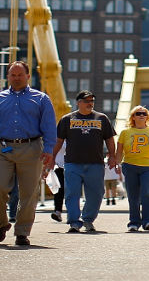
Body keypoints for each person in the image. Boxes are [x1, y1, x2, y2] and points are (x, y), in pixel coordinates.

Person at [0, 60, 57, 246]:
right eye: (13, 75)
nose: (16, 78)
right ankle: (1, 225)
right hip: (3, 148)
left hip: (31, 148)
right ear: (8, 76)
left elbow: (49, 126)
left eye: (20, 75)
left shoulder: (41, 99)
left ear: (28, 76)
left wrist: (49, 149)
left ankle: (22, 232)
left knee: (28, 193)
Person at [54, 89, 116, 232]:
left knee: (96, 194)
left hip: (95, 163)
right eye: (86, 101)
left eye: (92, 101)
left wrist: (112, 156)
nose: (90, 103)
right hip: (72, 163)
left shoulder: (102, 118)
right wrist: (52, 158)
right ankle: (74, 222)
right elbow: (58, 141)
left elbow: (109, 139)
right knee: (72, 193)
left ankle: (88, 219)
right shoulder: (67, 119)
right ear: (78, 102)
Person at [115, 104, 149, 231]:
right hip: (129, 166)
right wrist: (117, 164)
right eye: (138, 113)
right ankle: (134, 222)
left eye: (144, 113)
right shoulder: (125, 132)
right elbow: (119, 151)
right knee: (133, 196)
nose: (141, 115)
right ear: (133, 117)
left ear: (147, 117)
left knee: (147, 193)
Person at [50, 142, 67, 221]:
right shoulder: (53, 137)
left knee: (71, 190)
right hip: (56, 167)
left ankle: (73, 214)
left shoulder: (71, 137)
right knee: (59, 189)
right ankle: (57, 211)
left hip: (70, 167)